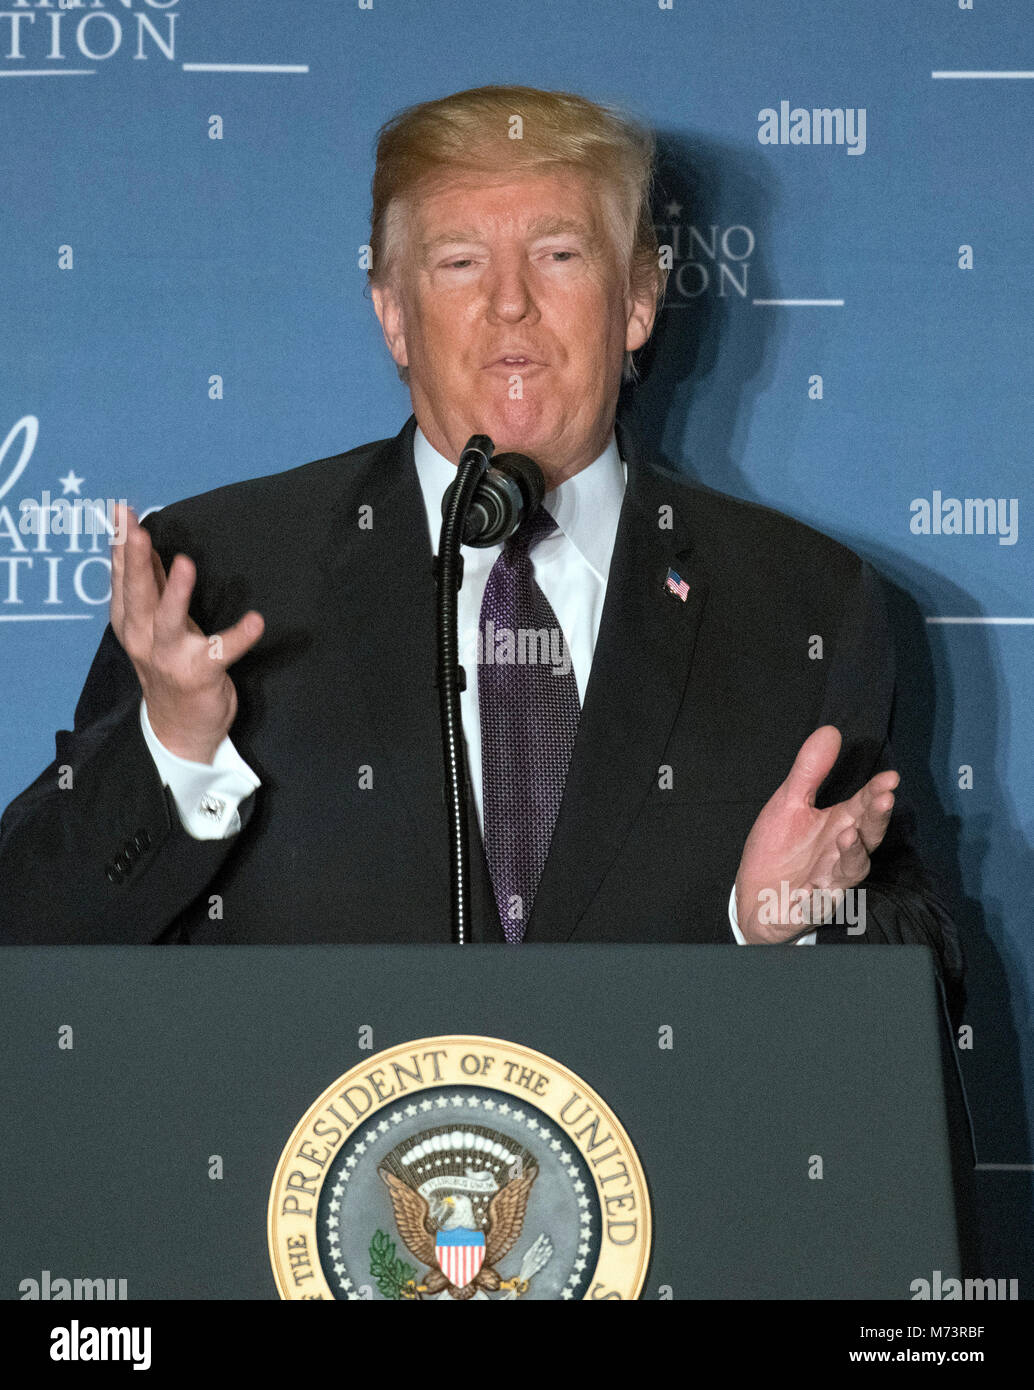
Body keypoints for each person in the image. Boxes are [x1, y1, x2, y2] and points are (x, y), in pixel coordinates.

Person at [0, 85, 961, 982]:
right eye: (460, 262)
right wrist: (173, 750)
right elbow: (32, 936)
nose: (510, 301)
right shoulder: (222, 575)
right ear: (392, 315)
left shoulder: (800, 600)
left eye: (559, 255)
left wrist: (774, 920)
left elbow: (923, 959)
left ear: (637, 301)